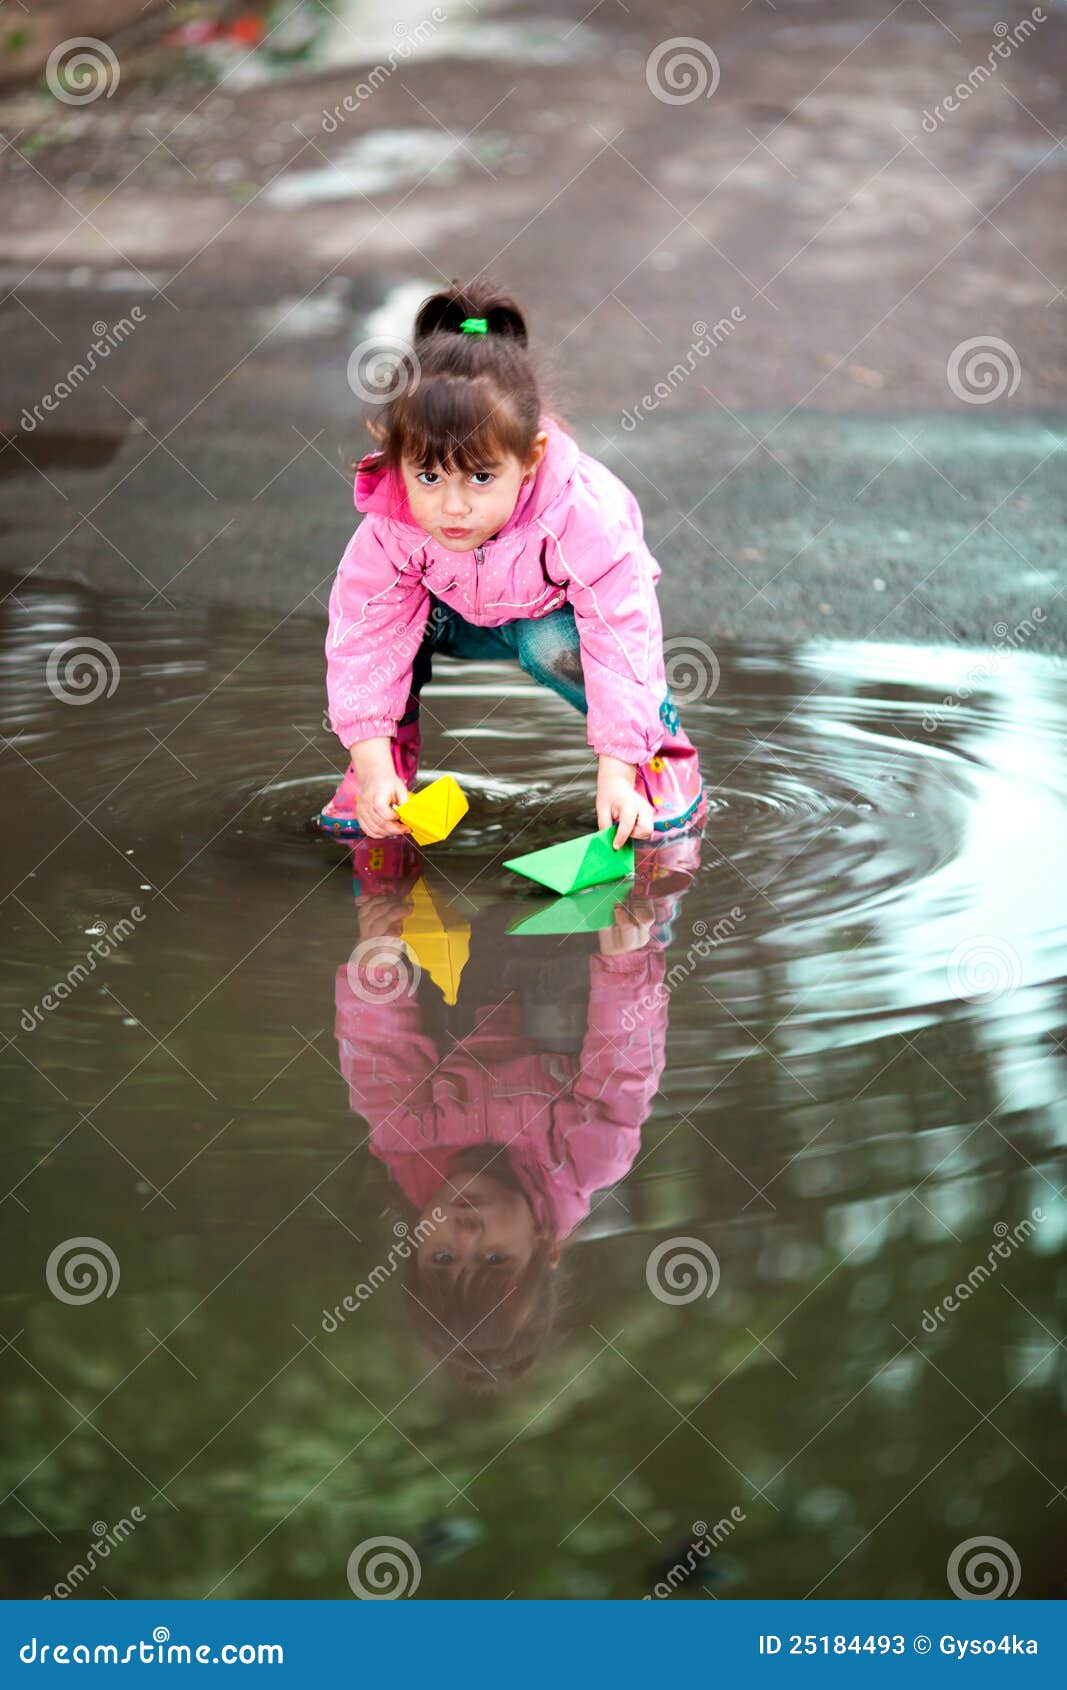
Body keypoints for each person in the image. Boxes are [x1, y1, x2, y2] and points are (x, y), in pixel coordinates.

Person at [316, 277, 705, 845]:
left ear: (529, 458)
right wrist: (371, 762)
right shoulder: (393, 522)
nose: (452, 506)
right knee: (392, 628)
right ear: (398, 455)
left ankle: (656, 756)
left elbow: (621, 636)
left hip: (552, 619)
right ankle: (386, 775)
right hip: (453, 615)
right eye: (428, 475)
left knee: (550, 647)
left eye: (480, 476)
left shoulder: (578, 513)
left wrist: (615, 772)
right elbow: (364, 636)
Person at [333, 835, 702, 1389]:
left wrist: (378, 957)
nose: (465, 1232)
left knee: (409, 928)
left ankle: (396, 848)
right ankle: (665, 844)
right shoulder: (586, 1160)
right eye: (494, 1260)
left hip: (480, 976)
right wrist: (625, 957)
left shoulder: (406, 1142)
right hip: (597, 959)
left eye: (441, 1260)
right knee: (646, 898)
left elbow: (377, 1050)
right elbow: (625, 1055)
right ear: (544, 1244)